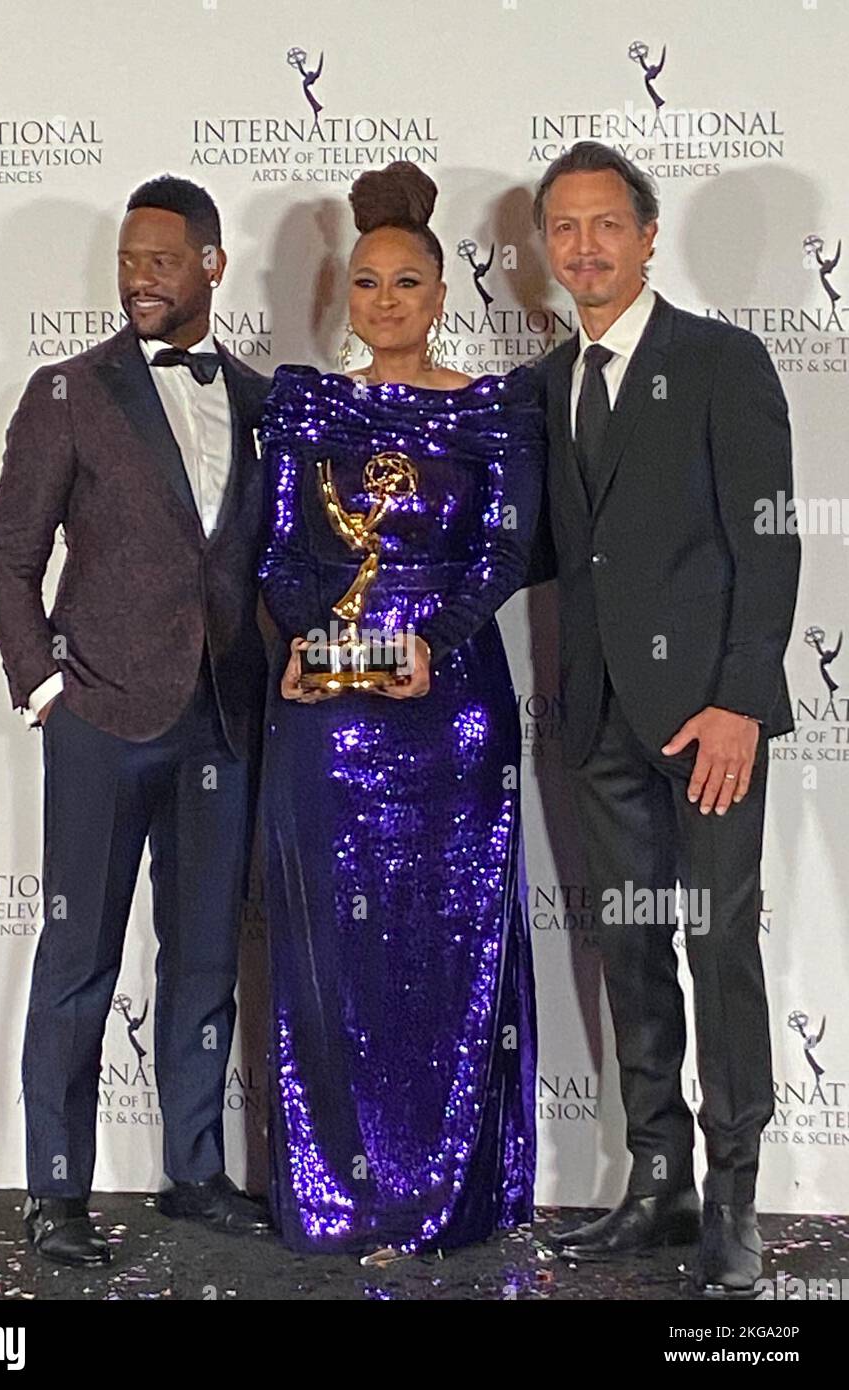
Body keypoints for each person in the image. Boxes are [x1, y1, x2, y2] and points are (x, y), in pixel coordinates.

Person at [0, 175, 272, 1266]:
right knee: (78, 958)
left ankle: (193, 1171)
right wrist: (45, 684)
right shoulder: (69, 392)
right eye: (126, 260)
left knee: (202, 961)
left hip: (222, 722)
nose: (137, 277)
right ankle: (56, 1192)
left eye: (160, 259)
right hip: (101, 716)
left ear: (210, 265)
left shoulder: (257, 397)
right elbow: (11, 556)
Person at [258, 162, 545, 1262]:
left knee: (447, 943)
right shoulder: (306, 405)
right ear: (346, 296)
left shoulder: (495, 410)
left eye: (409, 284)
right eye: (368, 284)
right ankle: (344, 1201)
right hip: (331, 716)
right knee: (338, 950)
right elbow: (281, 554)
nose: (387, 302)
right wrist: (310, 639)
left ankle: (451, 1200)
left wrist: (437, 636)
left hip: (454, 712)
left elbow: (507, 551)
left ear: (441, 293)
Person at [530, 142, 799, 1297]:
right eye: (563, 229)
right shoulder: (549, 381)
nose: (584, 247)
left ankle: (735, 1196)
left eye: (605, 226)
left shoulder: (721, 362)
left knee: (717, 945)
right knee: (632, 952)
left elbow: (770, 537)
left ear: (647, 235)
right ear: (545, 248)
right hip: (595, 720)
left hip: (705, 725)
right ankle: (659, 1180)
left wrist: (740, 699)